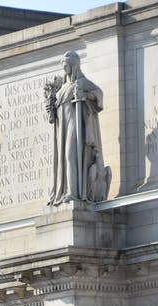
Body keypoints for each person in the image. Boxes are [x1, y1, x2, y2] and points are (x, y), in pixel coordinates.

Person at [44, 50, 110, 205]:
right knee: (62, 160)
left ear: (74, 65)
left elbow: (98, 93)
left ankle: (73, 193)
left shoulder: (80, 83)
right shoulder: (61, 89)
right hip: (63, 127)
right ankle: (64, 191)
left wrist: (85, 96)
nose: (64, 68)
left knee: (70, 155)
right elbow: (53, 117)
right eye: (63, 65)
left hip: (75, 123)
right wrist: (50, 110)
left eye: (66, 65)